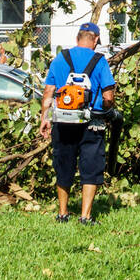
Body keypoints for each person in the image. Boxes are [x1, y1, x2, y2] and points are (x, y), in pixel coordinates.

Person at [38, 23, 115, 224]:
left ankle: (62, 213)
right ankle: (85, 216)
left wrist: (44, 118)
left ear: (77, 38)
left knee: (63, 166)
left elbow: (48, 93)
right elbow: (108, 96)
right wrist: (107, 110)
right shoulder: (100, 61)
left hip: (62, 123)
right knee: (91, 167)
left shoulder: (60, 59)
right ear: (96, 39)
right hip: (92, 124)